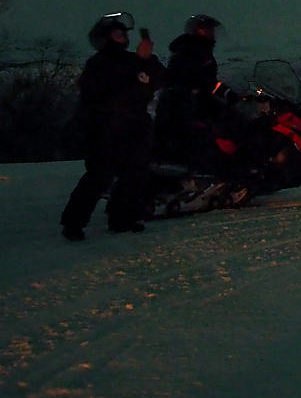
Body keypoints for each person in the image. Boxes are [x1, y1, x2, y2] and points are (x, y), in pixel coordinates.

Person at [60, 13, 164, 240]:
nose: (123, 36)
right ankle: (73, 223)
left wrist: (147, 60)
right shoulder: (98, 64)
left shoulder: (133, 59)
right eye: (117, 33)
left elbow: (157, 78)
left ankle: (122, 219)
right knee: (100, 175)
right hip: (107, 127)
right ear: (105, 38)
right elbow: (105, 94)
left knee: (133, 175)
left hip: (135, 126)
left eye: (124, 33)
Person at [155, 13, 228, 168]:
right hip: (183, 107)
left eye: (211, 30)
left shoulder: (200, 52)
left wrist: (232, 95)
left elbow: (209, 83)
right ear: (197, 31)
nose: (211, 33)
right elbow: (181, 81)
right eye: (206, 30)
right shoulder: (190, 51)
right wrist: (195, 94)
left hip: (188, 104)